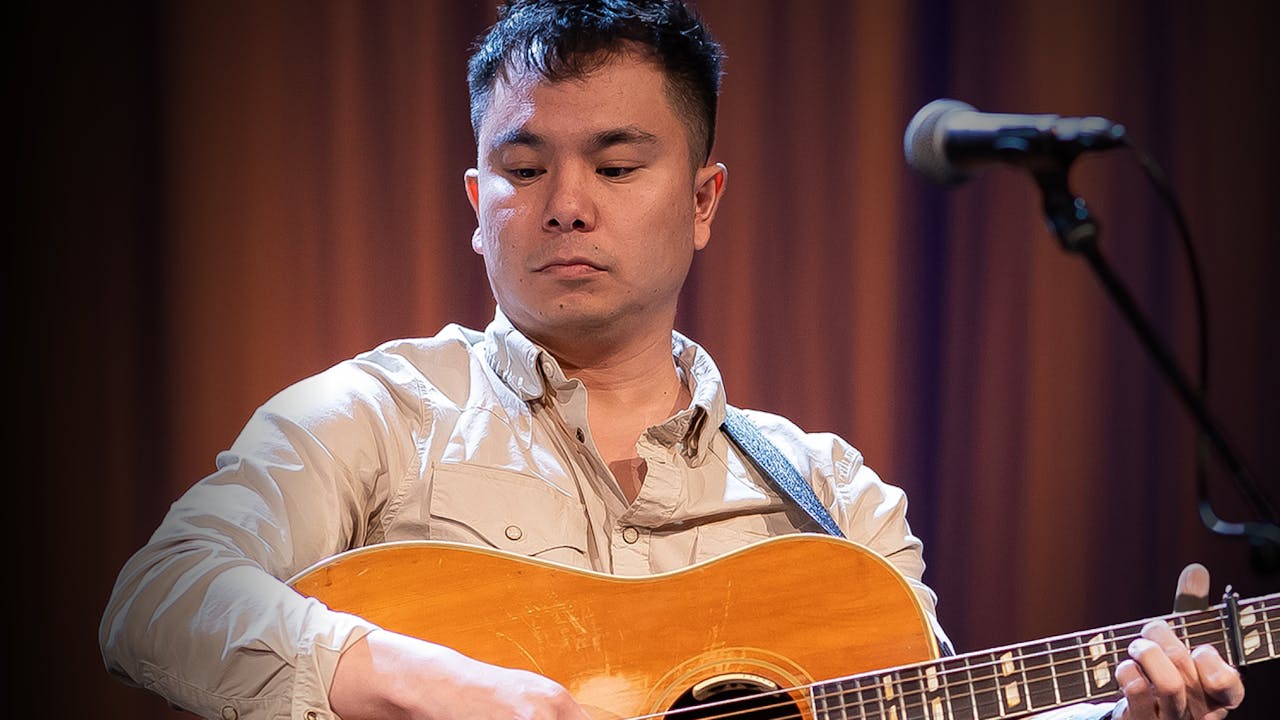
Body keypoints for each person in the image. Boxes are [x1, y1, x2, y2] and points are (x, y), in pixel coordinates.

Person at [100, 2, 1247, 719]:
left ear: (702, 201)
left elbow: (935, 708)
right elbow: (154, 602)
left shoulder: (832, 496)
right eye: (521, 167)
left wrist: (1123, 717)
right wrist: (435, 686)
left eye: (614, 163)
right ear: (473, 200)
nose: (562, 207)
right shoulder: (367, 416)